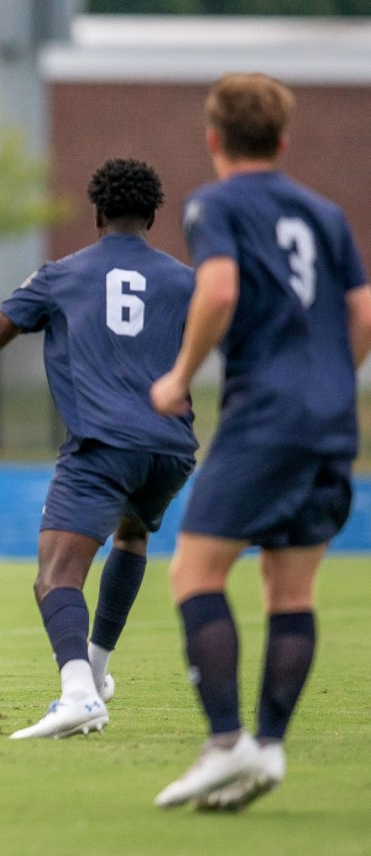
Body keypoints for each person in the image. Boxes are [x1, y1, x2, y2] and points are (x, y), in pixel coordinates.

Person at [0, 158, 198, 739]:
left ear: (96, 213)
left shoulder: (62, 275)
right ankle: (96, 673)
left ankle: (77, 694)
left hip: (103, 444)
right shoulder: (184, 279)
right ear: (152, 215)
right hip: (171, 449)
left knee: (54, 575)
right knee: (132, 533)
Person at [151, 73, 371, 810]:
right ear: (282, 139)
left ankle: (225, 743)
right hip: (331, 418)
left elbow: (217, 290)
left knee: (194, 573)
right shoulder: (325, 212)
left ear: (213, 138)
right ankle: (269, 748)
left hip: (265, 414)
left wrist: (179, 374)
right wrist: (333, 380)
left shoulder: (215, 203)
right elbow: (363, 312)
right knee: (291, 588)